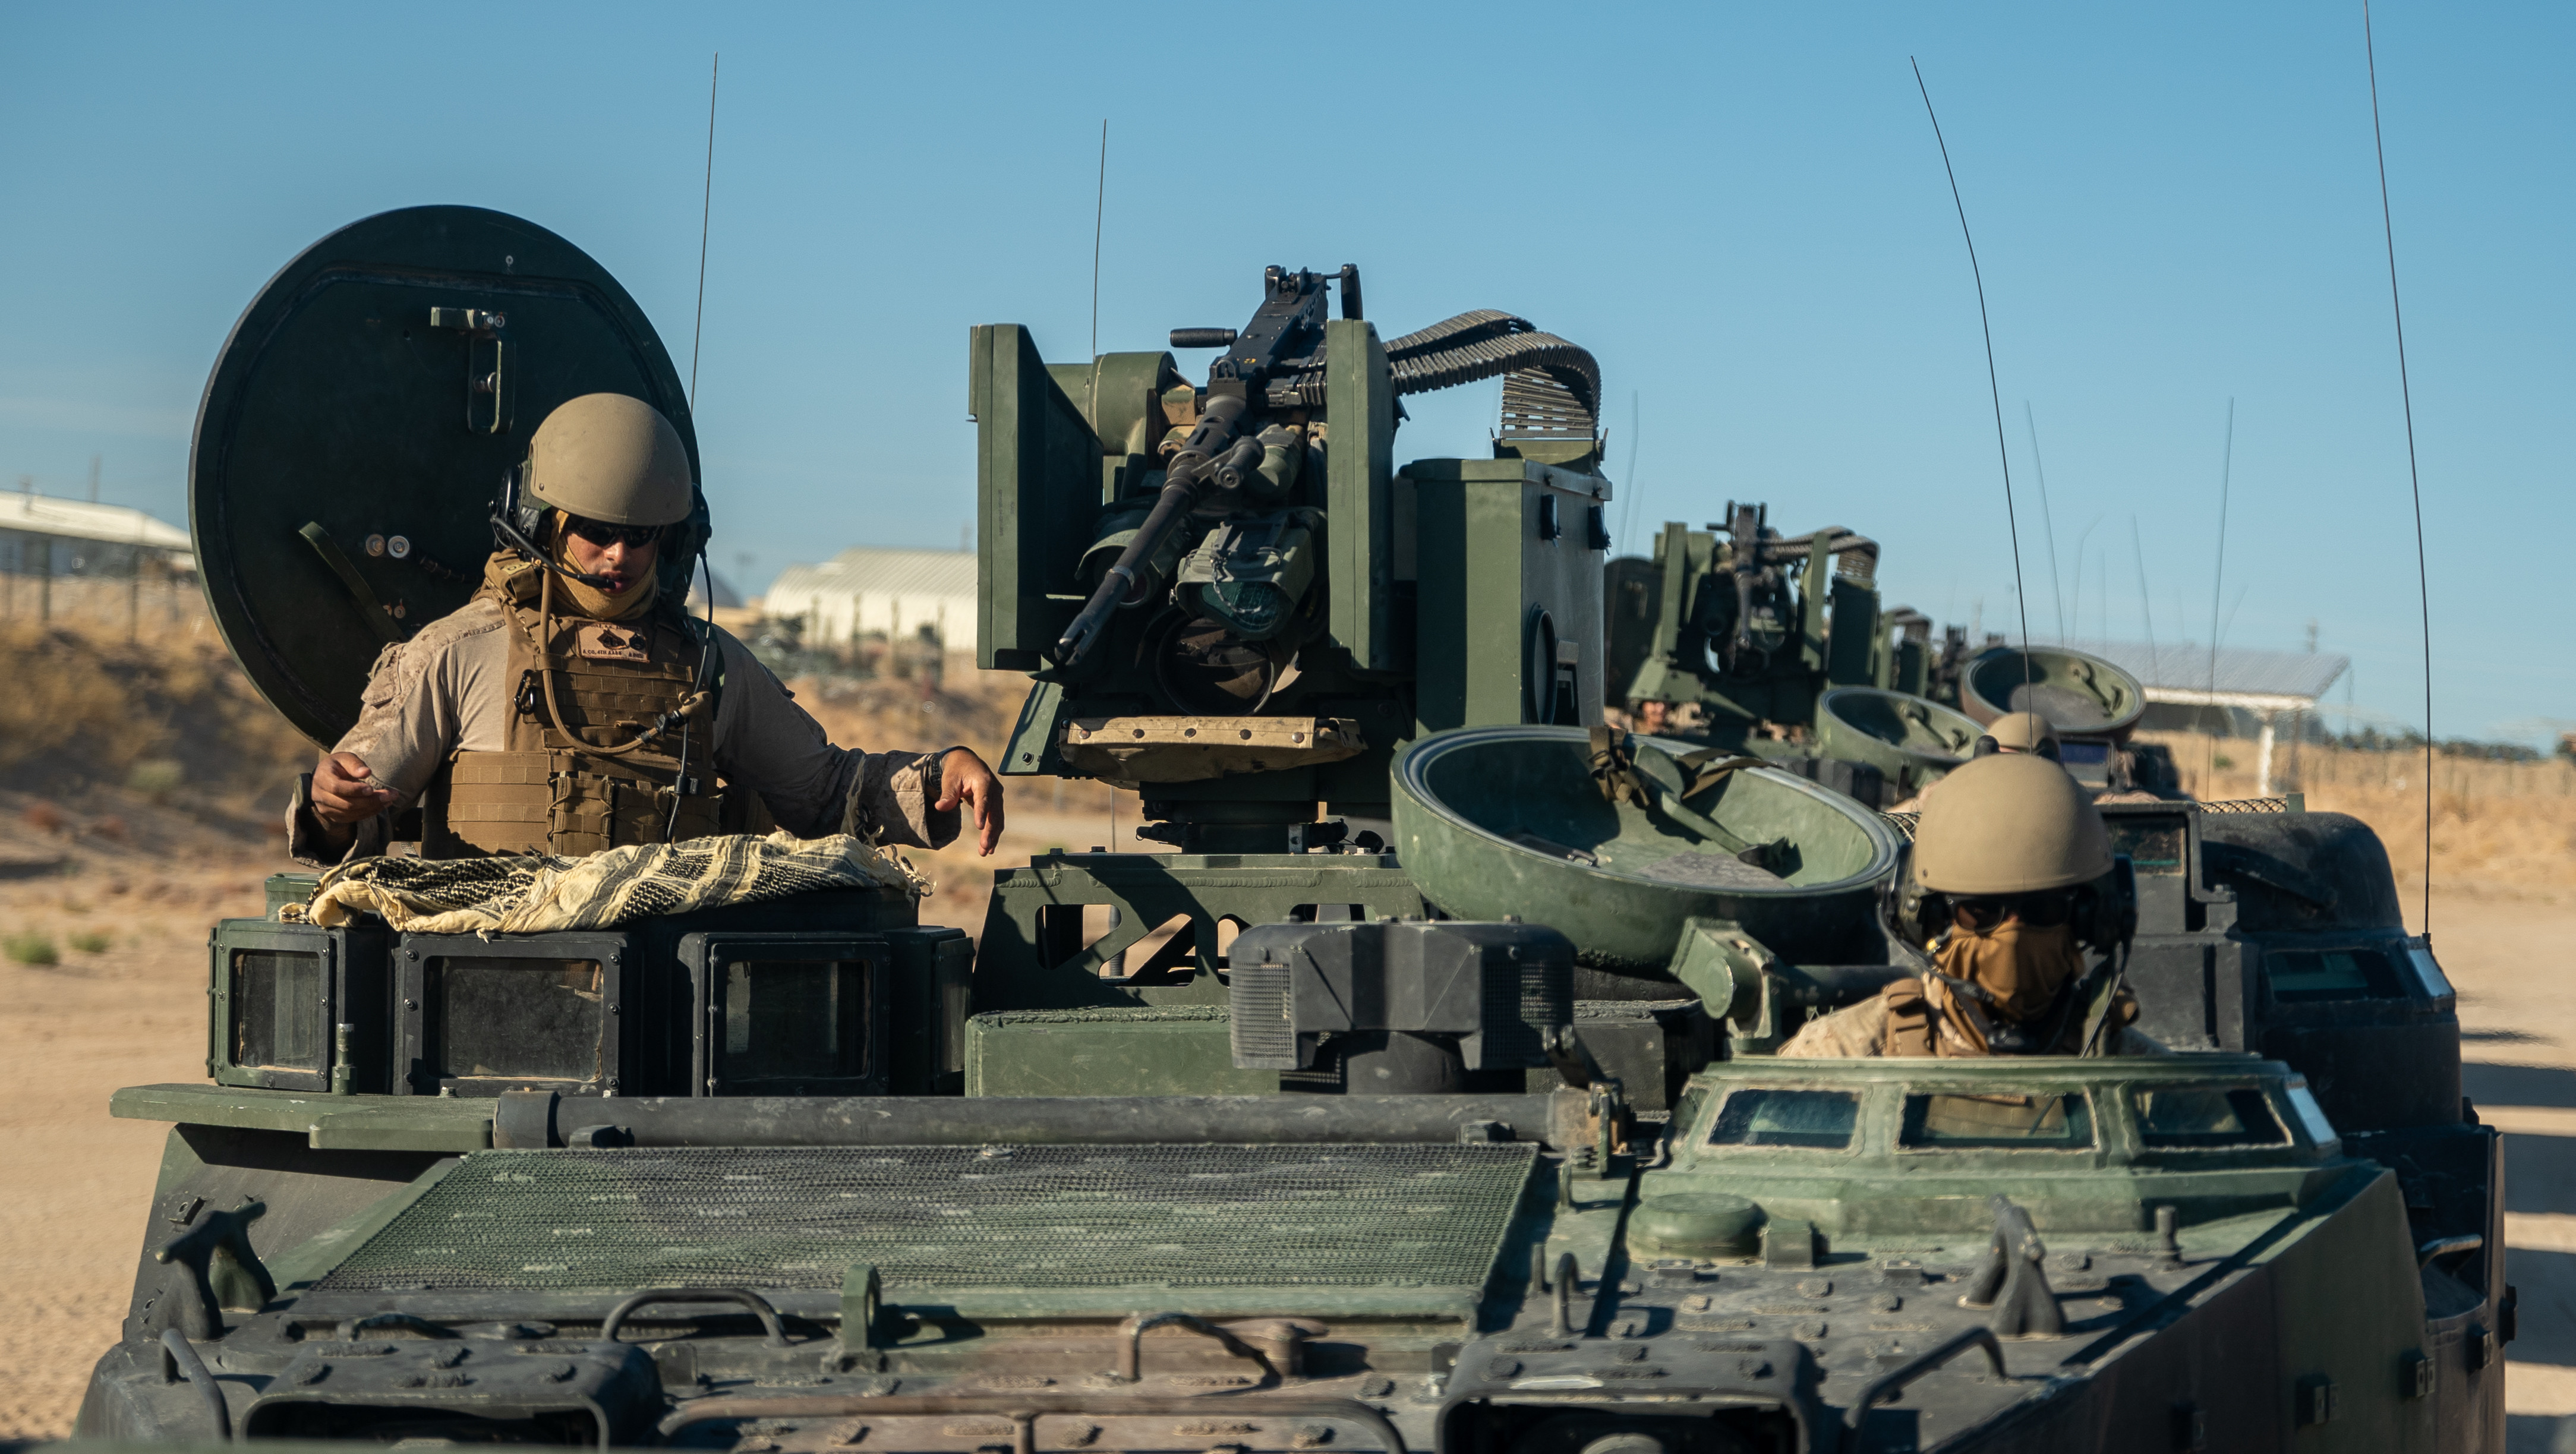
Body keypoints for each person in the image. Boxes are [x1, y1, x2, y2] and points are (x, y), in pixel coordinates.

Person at [287, 393, 1002, 864]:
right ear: (541, 523)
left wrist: (941, 773)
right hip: (489, 985)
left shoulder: (709, 668)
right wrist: (331, 806)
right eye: (595, 531)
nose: (619, 557)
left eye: (641, 535)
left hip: (665, 1001)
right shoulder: (461, 650)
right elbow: (355, 805)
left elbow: (826, 791)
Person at [1779, 750, 2159, 1058]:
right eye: (1980, 912)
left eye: (2043, 911)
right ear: (1926, 917)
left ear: (2089, 919)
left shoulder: (2137, 1076)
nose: (2012, 936)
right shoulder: (1841, 1054)